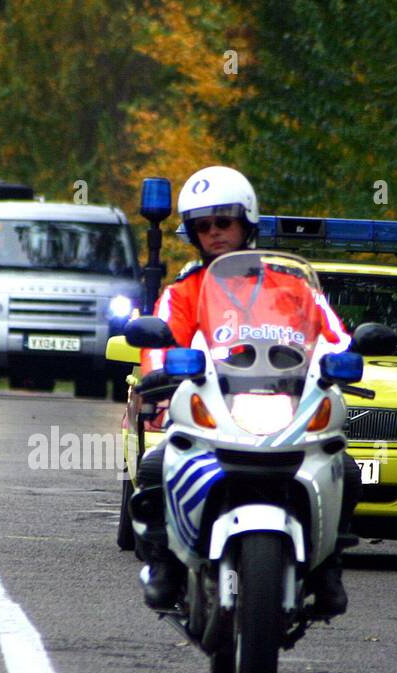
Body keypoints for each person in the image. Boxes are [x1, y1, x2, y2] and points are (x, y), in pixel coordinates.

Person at [131, 165, 362, 615]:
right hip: (216, 403)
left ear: (246, 222)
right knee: (155, 463)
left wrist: (343, 360)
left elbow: (335, 337)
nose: (215, 233)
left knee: (346, 469)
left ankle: (328, 567)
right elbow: (160, 346)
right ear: (193, 234)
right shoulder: (186, 290)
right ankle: (168, 566)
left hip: (283, 400)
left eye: (224, 222)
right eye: (204, 226)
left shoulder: (293, 287)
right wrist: (160, 375)